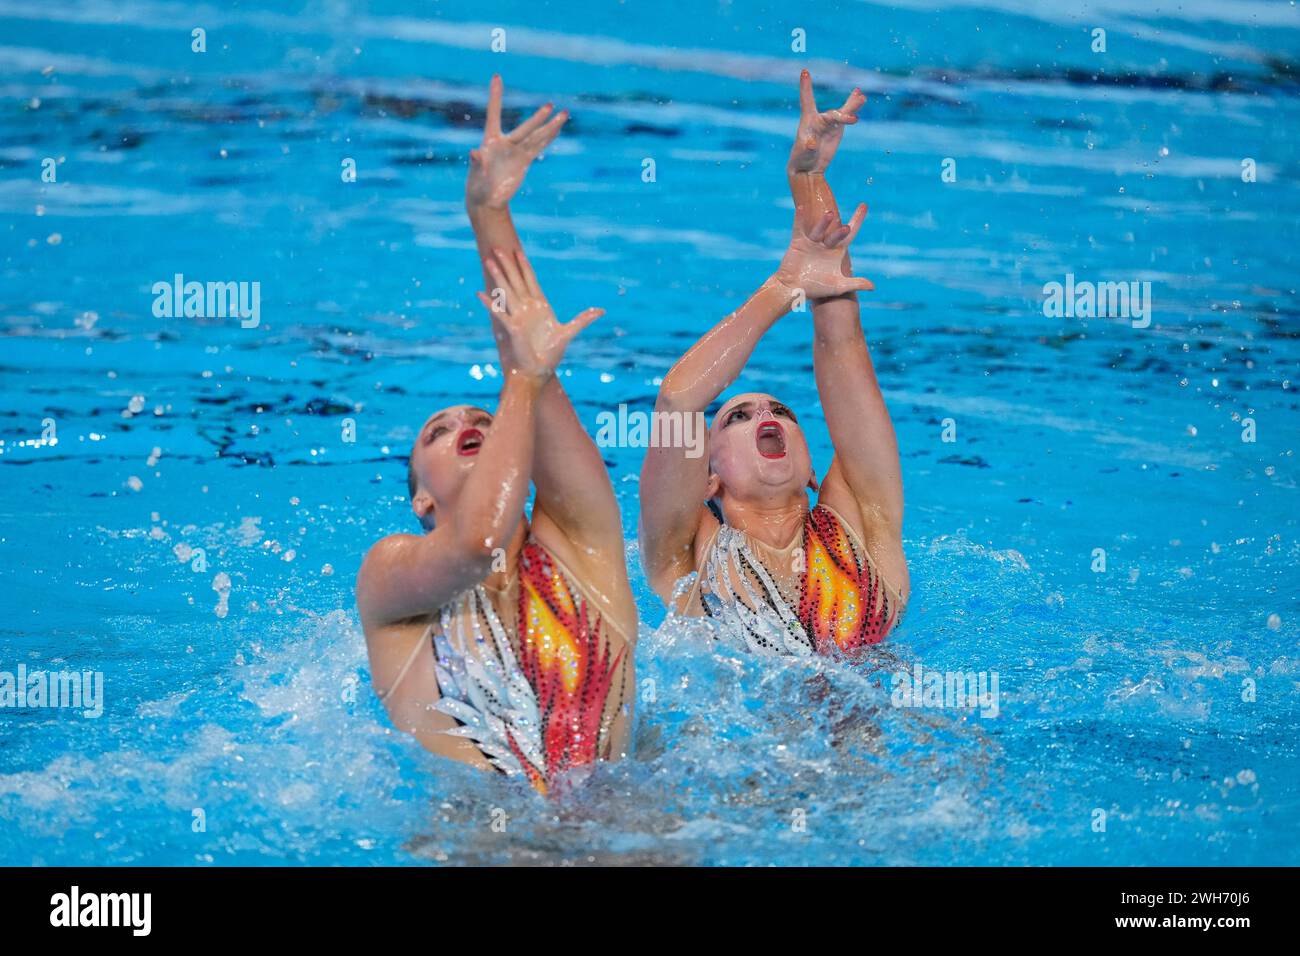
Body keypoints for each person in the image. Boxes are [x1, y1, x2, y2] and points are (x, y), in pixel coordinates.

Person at [356, 76, 637, 794]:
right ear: (420, 497)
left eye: (480, 420)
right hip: (481, 843)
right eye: (439, 432)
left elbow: (535, 364)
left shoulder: (582, 546)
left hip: (632, 833)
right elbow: (477, 545)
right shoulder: (392, 574)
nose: (469, 426)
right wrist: (518, 382)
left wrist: (490, 214)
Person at [638, 70, 908, 657]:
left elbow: (842, 343)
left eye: (781, 410)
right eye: (736, 417)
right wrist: (785, 287)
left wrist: (809, 178)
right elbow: (681, 402)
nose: (767, 414)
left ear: (815, 470)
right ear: (707, 477)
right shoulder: (686, 554)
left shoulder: (863, 521)